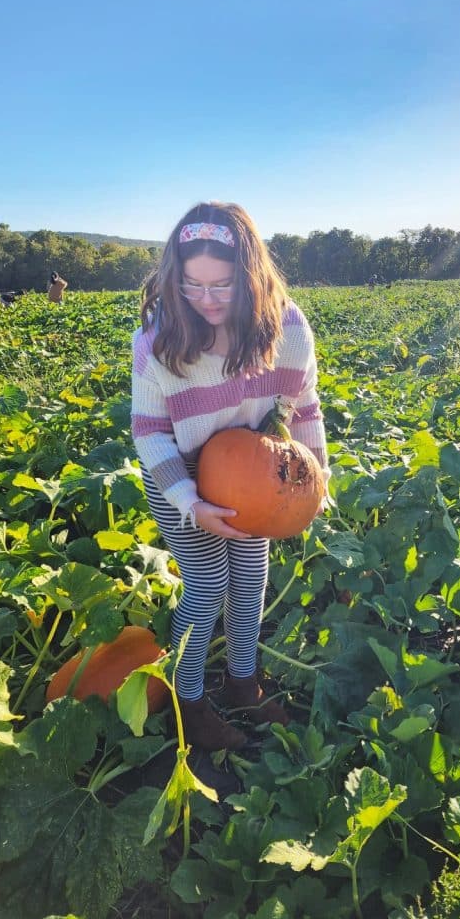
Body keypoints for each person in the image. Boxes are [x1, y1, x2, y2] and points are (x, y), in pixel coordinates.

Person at [131, 201, 329, 750]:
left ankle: (243, 680)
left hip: (251, 474)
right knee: (206, 584)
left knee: (250, 580)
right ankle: (187, 699)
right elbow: (149, 431)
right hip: (180, 475)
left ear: (251, 278)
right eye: (193, 286)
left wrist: (316, 481)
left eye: (222, 286)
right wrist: (190, 501)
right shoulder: (159, 338)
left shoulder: (286, 328)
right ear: (175, 280)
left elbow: (304, 407)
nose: (208, 300)